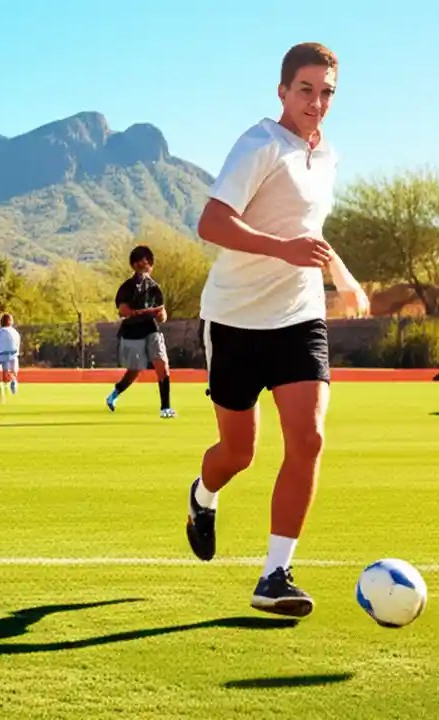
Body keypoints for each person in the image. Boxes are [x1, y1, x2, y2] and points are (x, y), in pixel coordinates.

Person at [185, 43, 370, 617]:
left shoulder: (329, 156)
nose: (317, 102)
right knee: (238, 453)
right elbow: (211, 222)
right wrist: (282, 250)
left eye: (327, 92)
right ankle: (203, 495)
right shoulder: (261, 143)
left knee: (309, 439)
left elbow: (306, 231)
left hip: (298, 317)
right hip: (235, 318)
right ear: (283, 92)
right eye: (306, 89)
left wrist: (344, 278)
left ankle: (275, 574)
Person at [106, 246, 174, 418]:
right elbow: (124, 311)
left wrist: (160, 315)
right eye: (142, 262)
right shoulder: (126, 288)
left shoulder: (155, 289)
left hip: (152, 330)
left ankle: (165, 407)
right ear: (134, 265)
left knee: (162, 364)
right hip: (132, 332)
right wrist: (147, 312)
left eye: (148, 262)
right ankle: (114, 394)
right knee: (135, 370)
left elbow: (162, 316)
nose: (146, 265)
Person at [0, 313, 20, 397]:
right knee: (14, 371)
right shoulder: (14, 331)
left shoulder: (0, 331)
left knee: (5, 371)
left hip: (3, 354)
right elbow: (17, 341)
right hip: (13, 352)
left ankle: (9, 381)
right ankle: (13, 380)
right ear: (10, 321)